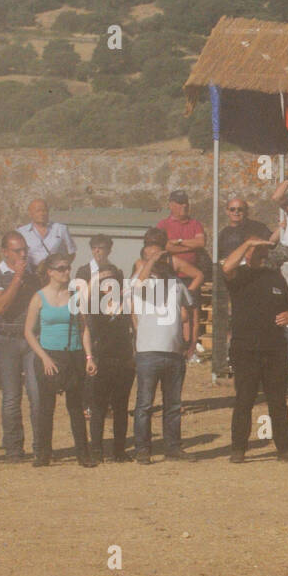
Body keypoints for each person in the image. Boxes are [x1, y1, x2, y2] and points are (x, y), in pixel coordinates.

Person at [220, 237, 288, 464]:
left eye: (262, 250)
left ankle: (285, 449)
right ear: (247, 252)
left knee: (278, 401)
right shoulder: (239, 275)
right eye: (255, 250)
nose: (259, 254)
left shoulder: (275, 277)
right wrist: (247, 242)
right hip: (246, 348)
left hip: (274, 348)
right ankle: (238, 449)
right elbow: (226, 266)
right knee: (244, 400)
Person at [24, 253, 96, 467]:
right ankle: (43, 454)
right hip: (49, 355)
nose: (67, 272)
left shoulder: (75, 296)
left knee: (76, 407)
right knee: (46, 407)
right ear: (50, 272)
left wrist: (89, 356)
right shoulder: (39, 297)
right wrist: (44, 358)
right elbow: (28, 332)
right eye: (62, 268)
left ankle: (83, 454)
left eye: (68, 268)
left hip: (72, 354)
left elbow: (84, 328)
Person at [129, 252, 194, 463]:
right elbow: (137, 285)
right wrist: (151, 260)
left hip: (174, 353)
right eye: (157, 261)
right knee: (145, 405)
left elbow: (188, 310)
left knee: (174, 405)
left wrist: (189, 341)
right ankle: (142, 450)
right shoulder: (144, 284)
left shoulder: (178, 283)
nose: (162, 264)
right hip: (148, 352)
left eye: (165, 260)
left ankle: (173, 447)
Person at [0, 232, 41, 462]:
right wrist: (18, 277)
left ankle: (41, 447)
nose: (22, 254)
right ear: (5, 252)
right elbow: (0, 307)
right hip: (6, 339)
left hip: (31, 339)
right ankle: (13, 449)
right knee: (11, 396)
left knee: (37, 394)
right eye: (17, 250)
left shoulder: (33, 274)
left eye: (24, 250)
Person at [83, 259, 135, 463]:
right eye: (104, 282)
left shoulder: (126, 305)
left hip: (123, 361)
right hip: (101, 360)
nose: (108, 285)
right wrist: (89, 357)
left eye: (112, 281)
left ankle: (119, 450)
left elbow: (136, 331)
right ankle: (96, 449)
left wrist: (134, 356)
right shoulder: (94, 306)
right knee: (98, 407)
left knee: (121, 407)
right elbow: (86, 331)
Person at [158, 190, 208, 274]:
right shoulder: (163, 225)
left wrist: (179, 241)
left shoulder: (196, 224)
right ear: (171, 205)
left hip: (193, 275)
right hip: (170, 274)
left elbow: (201, 243)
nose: (184, 205)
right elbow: (166, 247)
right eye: (180, 203)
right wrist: (191, 247)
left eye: (186, 202)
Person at [17, 199, 76, 268]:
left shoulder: (61, 229)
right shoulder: (21, 232)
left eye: (44, 210)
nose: (42, 214)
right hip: (32, 274)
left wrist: (62, 268)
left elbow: (71, 253)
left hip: (55, 273)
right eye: (38, 211)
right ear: (30, 213)